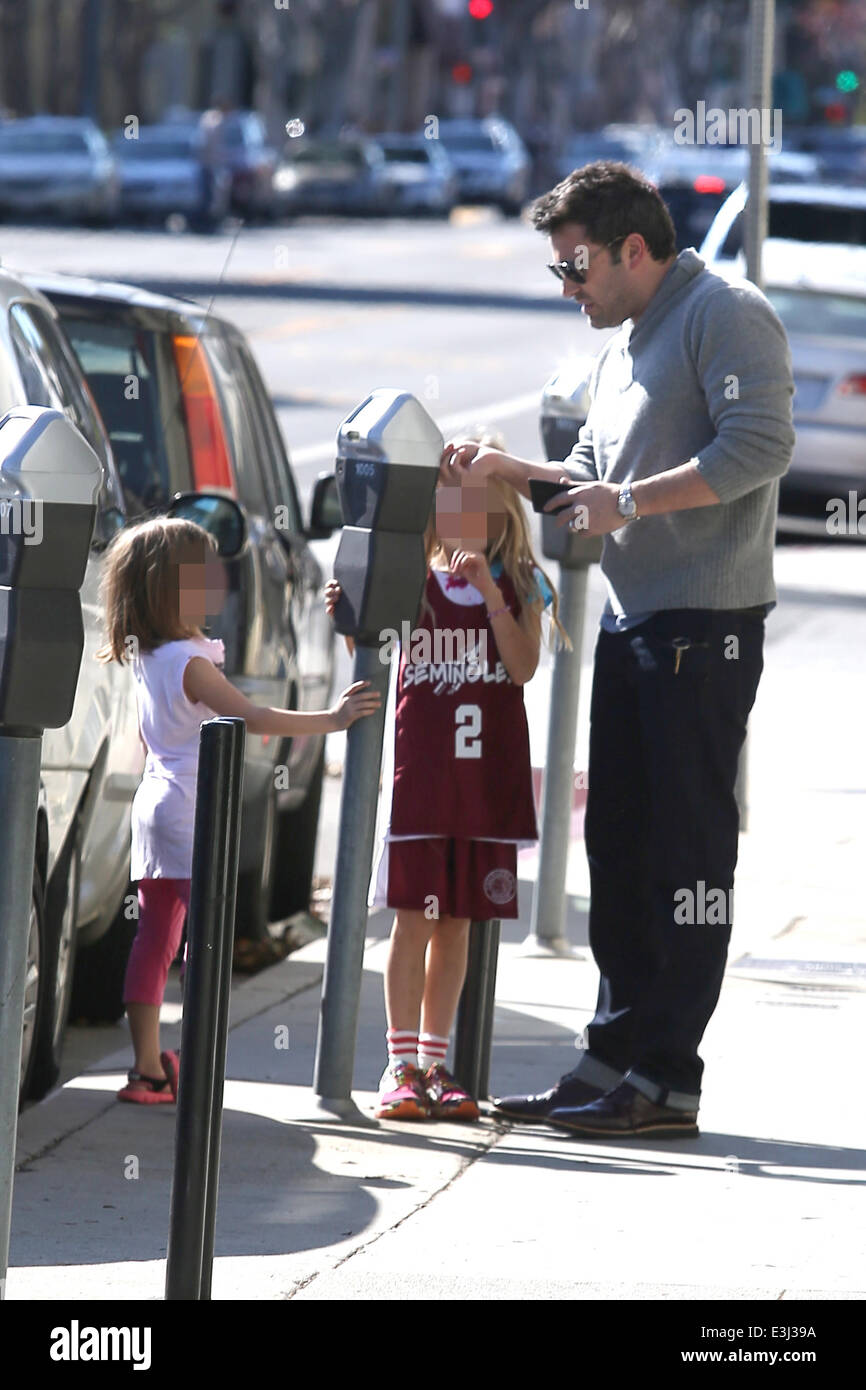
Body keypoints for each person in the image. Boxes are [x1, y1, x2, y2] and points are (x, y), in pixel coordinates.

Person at [442, 161, 795, 1138]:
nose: (569, 287)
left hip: (705, 625)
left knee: (685, 857)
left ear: (632, 249)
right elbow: (588, 482)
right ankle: (611, 1058)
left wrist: (630, 502)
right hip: (633, 622)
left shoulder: (723, 312)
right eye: (560, 269)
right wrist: (510, 470)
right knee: (618, 845)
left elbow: (758, 446)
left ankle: (667, 1078)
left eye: (577, 265)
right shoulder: (621, 346)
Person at [96, 516, 381, 1104]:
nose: (220, 581)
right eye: (206, 572)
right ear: (174, 587)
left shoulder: (155, 654)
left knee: (155, 938)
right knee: (204, 941)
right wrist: (331, 720)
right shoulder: (192, 663)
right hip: (193, 808)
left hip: (158, 801)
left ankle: (147, 1065)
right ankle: (191, 1060)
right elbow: (250, 717)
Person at [325, 458, 567, 1122]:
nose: (466, 522)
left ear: (501, 518)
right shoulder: (413, 583)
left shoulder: (520, 585)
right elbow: (372, 657)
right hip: (424, 783)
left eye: (479, 509)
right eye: (452, 508)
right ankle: (400, 1063)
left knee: (458, 921)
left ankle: (436, 1062)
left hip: (485, 785)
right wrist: (351, 620)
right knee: (414, 919)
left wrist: (491, 593)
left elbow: (521, 669)